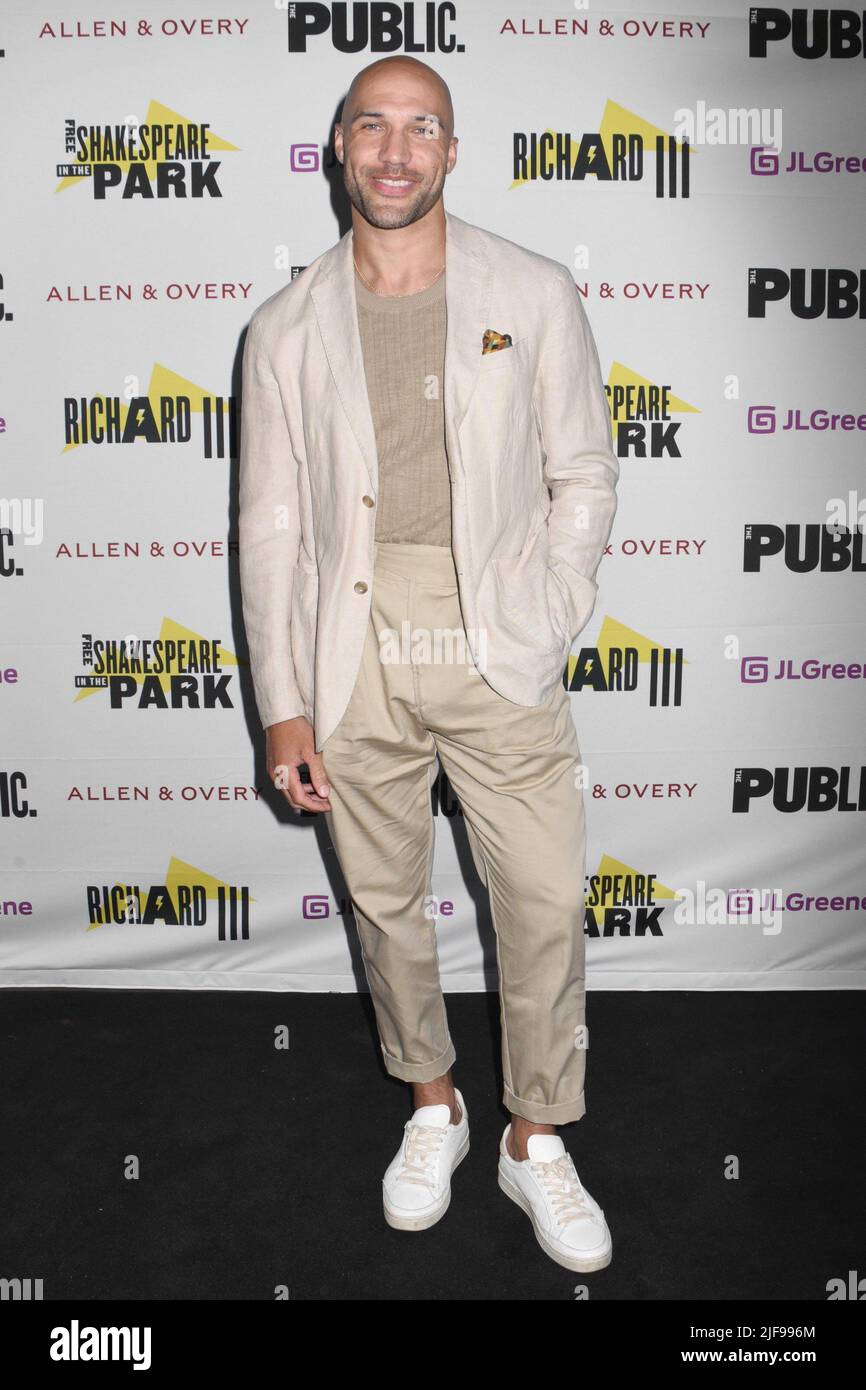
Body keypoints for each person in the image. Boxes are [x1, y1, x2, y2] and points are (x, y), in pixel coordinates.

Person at [239, 54, 619, 1273]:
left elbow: (583, 474)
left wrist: (549, 605)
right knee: (386, 904)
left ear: (451, 153)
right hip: (350, 641)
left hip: (495, 629)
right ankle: (433, 1105)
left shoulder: (535, 290)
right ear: (337, 149)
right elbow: (272, 528)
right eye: (372, 127)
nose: (395, 150)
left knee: (545, 899)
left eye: (422, 129)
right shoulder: (282, 328)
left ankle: (535, 1132)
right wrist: (283, 708)